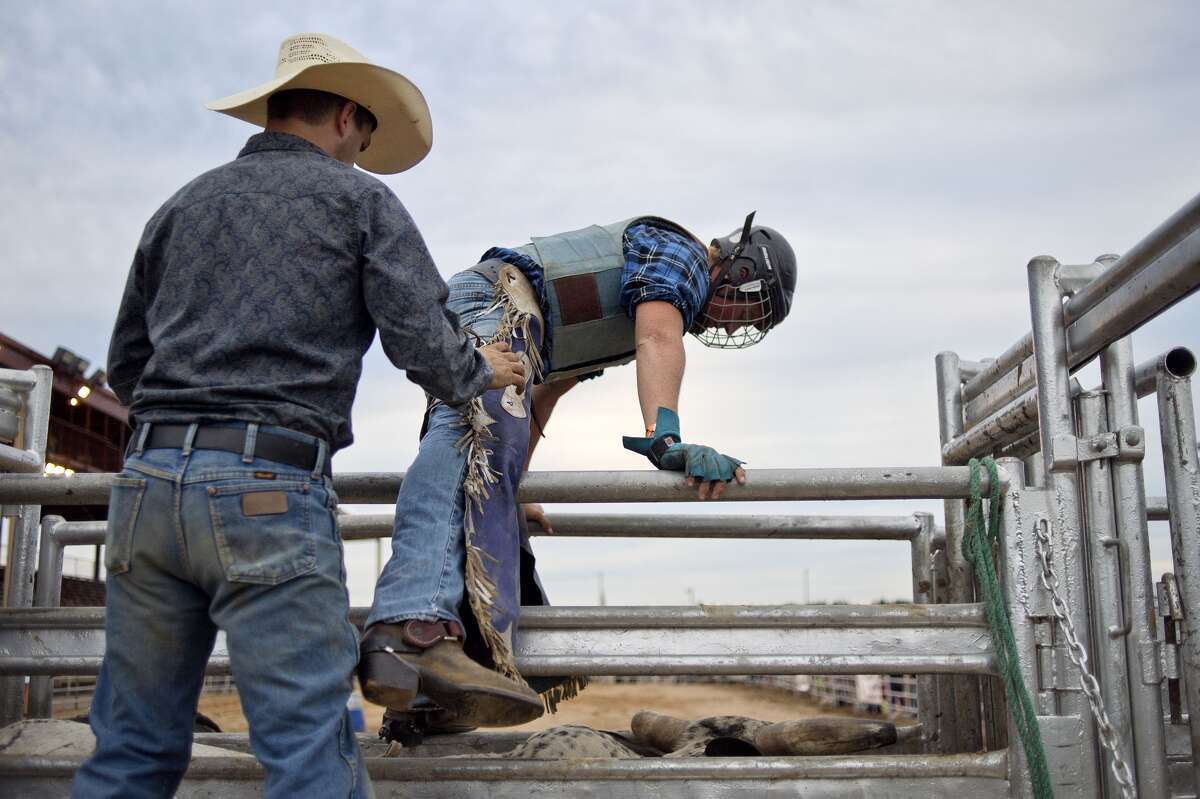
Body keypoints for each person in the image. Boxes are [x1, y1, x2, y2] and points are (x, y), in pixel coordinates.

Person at [73, 32, 528, 799]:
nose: (363, 151)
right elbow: (426, 346)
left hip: (147, 487)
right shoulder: (360, 203)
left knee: (132, 752)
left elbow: (126, 361)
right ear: (348, 115)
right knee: (308, 755)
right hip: (267, 491)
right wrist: (478, 367)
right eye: (368, 134)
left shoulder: (181, 206)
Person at [359, 213, 797, 731]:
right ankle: (416, 629)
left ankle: (435, 693)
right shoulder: (685, 257)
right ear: (734, 267)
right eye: (744, 308)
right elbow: (658, 338)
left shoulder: (626, 311)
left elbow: (547, 391)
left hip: (522, 324)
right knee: (470, 434)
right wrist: (667, 434)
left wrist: (515, 483)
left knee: (485, 466)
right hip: (498, 302)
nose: (731, 325)